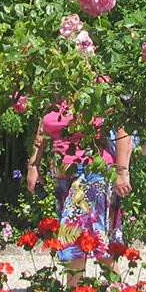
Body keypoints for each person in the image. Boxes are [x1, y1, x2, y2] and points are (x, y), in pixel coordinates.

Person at [25, 103, 132, 269]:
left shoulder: (97, 90)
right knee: (93, 242)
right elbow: (42, 129)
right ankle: (115, 284)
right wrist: (34, 164)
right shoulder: (53, 92)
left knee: (73, 240)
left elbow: (122, 130)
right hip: (61, 175)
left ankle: (74, 287)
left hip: (92, 171)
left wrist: (121, 172)